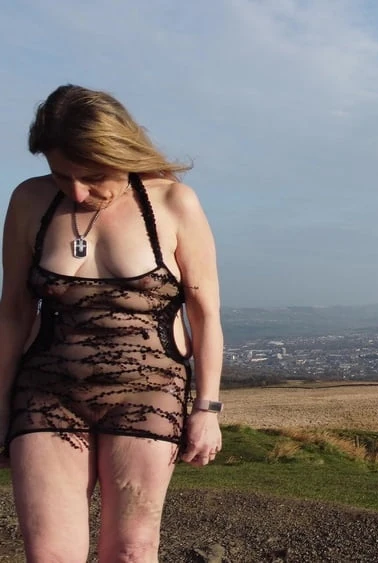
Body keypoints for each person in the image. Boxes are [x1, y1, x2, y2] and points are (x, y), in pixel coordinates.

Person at [0, 84, 224, 561]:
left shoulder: (173, 203)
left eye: (93, 176)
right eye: (62, 175)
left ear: (122, 153)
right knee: (49, 554)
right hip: (47, 391)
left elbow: (204, 314)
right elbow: (14, 311)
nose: (78, 192)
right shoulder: (29, 201)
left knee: (130, 550)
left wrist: (207, 409)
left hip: (148, 392)